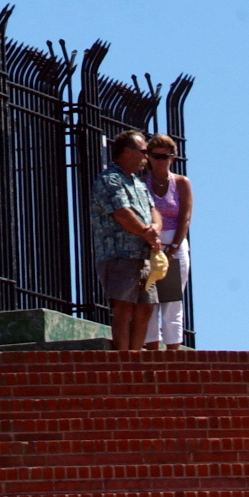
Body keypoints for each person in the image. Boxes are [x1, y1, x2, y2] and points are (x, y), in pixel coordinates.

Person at [90, 131, 162, 351]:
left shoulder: (138, 183)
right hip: (120, 255)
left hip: (144, 256)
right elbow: (122, 213)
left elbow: (153, 210)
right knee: (124, 307)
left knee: (146, 308)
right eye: (143, 151)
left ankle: (135, 357)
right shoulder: (109, 180)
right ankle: (123, 359)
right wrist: (145, 232)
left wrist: (155, 227)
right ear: (127, 152)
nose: (147, 157)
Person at [142, 133, 193, 351]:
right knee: (149, 300)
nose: (160, 161)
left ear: (173, 157)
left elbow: (185, 218)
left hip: (175, 245)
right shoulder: (141, 184)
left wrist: (173, 249)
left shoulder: (181, 183)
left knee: (171, 301)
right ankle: (153, 352)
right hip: (149, 246)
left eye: (165, 156)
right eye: (156, 156)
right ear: (149, 157)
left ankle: (173, 353)